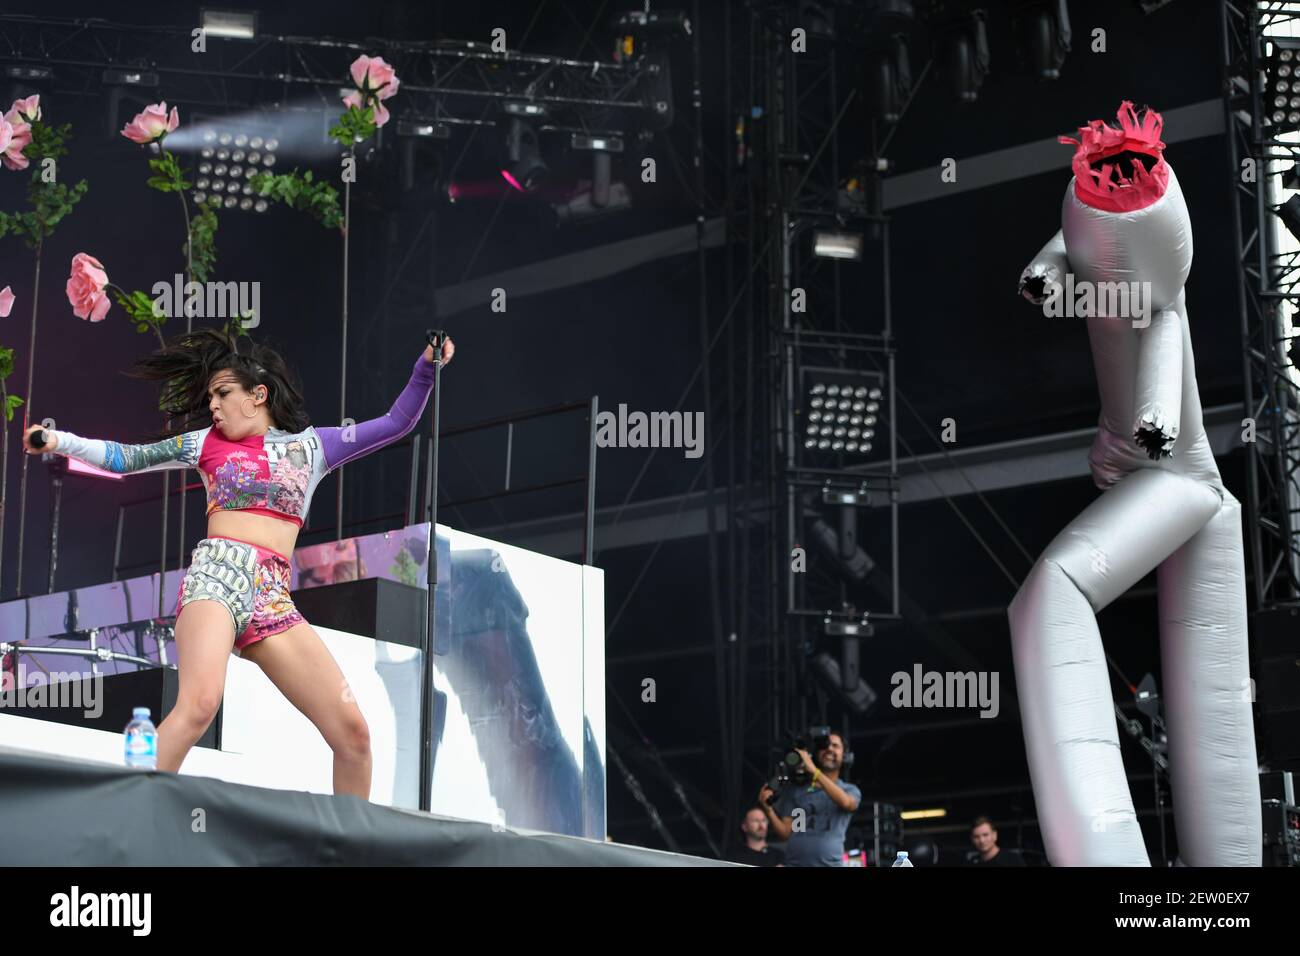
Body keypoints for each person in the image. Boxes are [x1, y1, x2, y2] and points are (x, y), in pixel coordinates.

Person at [24, 327, 454, 799]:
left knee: (354, 736)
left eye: (223, 393)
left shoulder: (314, 449)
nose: (213, 404)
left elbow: (396, 422)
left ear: (258, 395)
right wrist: (59, 440)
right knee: (200, 703)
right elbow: (127, 458)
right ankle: (125, 810)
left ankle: (349, 854)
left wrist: (425, 368)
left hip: (273, 596)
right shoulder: (204, 444)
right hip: (216, 579)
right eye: (209, 396)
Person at [757, 731, 861, 866]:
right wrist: (768, 810)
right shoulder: (796, 790)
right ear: (817, 754)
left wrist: (814, 771)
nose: (829, 748)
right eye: (825, 746)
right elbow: (786, 833)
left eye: (835, 746)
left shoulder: (849, 790)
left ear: (845, 755)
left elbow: (847, 803)